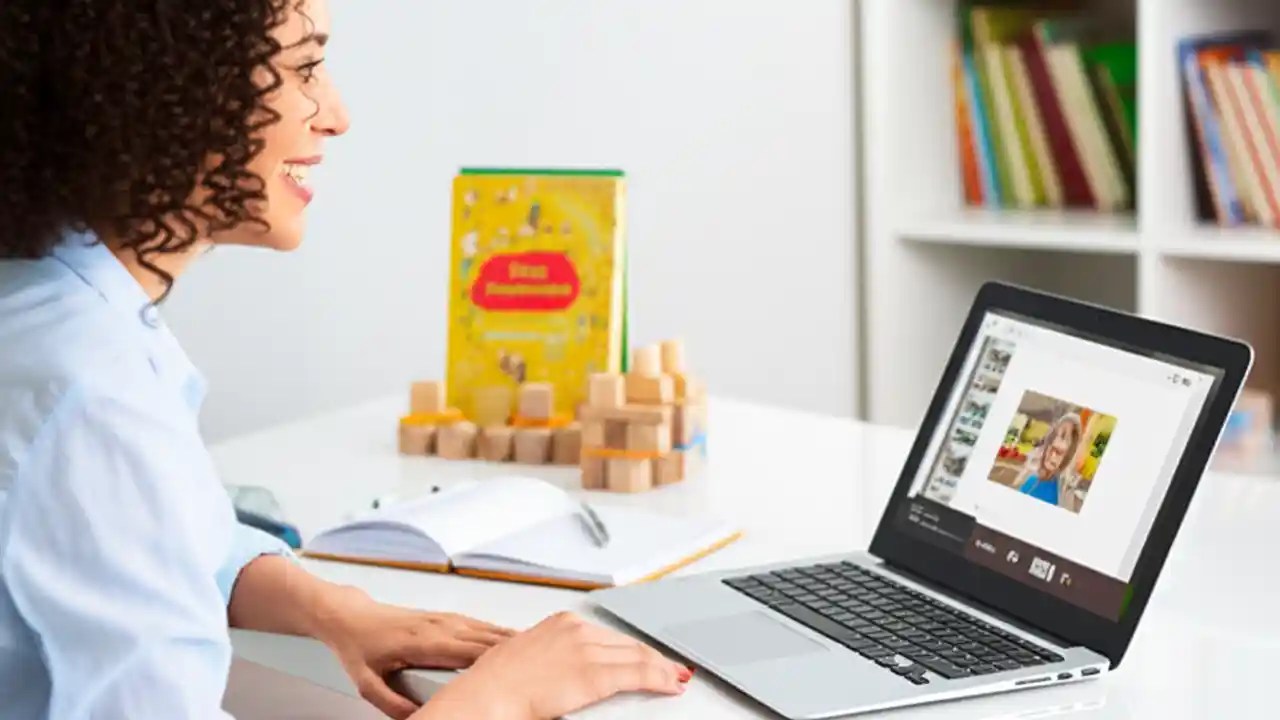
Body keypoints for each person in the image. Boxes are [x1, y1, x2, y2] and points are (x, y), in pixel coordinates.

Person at [0, 2, 689, 718]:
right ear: (165, 88)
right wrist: (500, 699)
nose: (336, 114)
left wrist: (314, 602)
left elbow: (133, 530)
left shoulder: (54, 304)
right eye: (303, 68)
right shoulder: (91, 392)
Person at [1017, 413, 1083, 507]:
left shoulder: (1062, 495)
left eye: (1059, 453)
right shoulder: (1031, 479)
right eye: (1052, 448)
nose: (1053, 455)